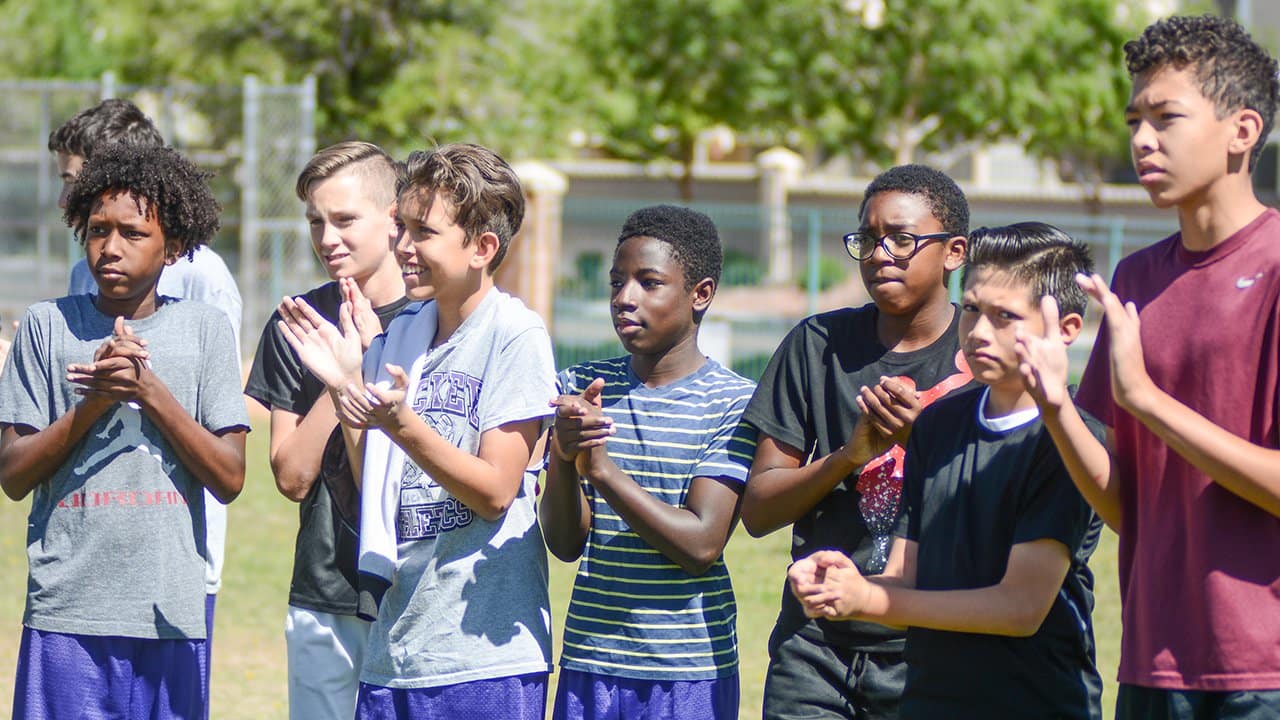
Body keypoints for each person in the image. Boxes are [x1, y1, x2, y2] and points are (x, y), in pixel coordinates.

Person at [1015, 15, 1280, 719]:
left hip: (1264, 673)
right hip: (1153, 664)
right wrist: (1056, 405)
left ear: (1242, 131)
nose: (1141, 139)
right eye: (1135, 118)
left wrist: (1147, 400)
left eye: (1166, 117)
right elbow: (1127, 509)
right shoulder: (1135, 277)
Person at [277, 143, 555, 719]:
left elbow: (496, 490)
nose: (402, 246)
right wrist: (347, 384)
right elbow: (371, 481)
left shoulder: (515, 335)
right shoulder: (399, 333)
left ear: (482, 248)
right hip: (397, 647)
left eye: (422, 232)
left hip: (481, 658)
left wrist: (402, 422)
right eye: (401, 226)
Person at [790, 222, 1104, 719]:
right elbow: (904, 578)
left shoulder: (1069, 441)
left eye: (1005, 316)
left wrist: (866, 599)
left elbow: (1020, 609)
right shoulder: (938, 423)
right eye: (974, 308)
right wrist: (841, 584)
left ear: (1065, 329)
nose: (978, 331)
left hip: (1037, 702)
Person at [0, 143, 248, 719]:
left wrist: (148, 391)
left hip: (168, 612)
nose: (110, 248)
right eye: (96, 230)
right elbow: (12, 475)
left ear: (175, 247)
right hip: (67, 613)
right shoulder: (47, 325)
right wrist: (95, 403)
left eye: (132, 233)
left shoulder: (204, 330)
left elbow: (230, 476)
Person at [740, 164, 972, 719]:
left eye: (901, 238)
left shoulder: (983, 354)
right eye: (866, 239)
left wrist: (929, 442)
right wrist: (849, 456)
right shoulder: (816, 345)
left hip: (936, 649)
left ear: (955, 252)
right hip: (816, 650)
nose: (879, 254)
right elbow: (759, 510)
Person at [541, 205, 758, 720]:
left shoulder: (733, 402)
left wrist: (603, 472)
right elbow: (565, 544)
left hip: (686, 671)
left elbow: (701, 543)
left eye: (648, 282)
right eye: (617, 283)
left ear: (700, 294)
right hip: (591, 657)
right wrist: (562, 457)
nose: (624, 298)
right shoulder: (582, 387)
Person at [243, 141, 408, 720]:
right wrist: (347, 373)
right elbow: (290, 475)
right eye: (316, 221)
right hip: (325, 592)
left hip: (417, 592)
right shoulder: (296, 323)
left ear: (395, 218)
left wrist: (369, 359)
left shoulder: (436, 318)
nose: (327, 237)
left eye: (344, 219)